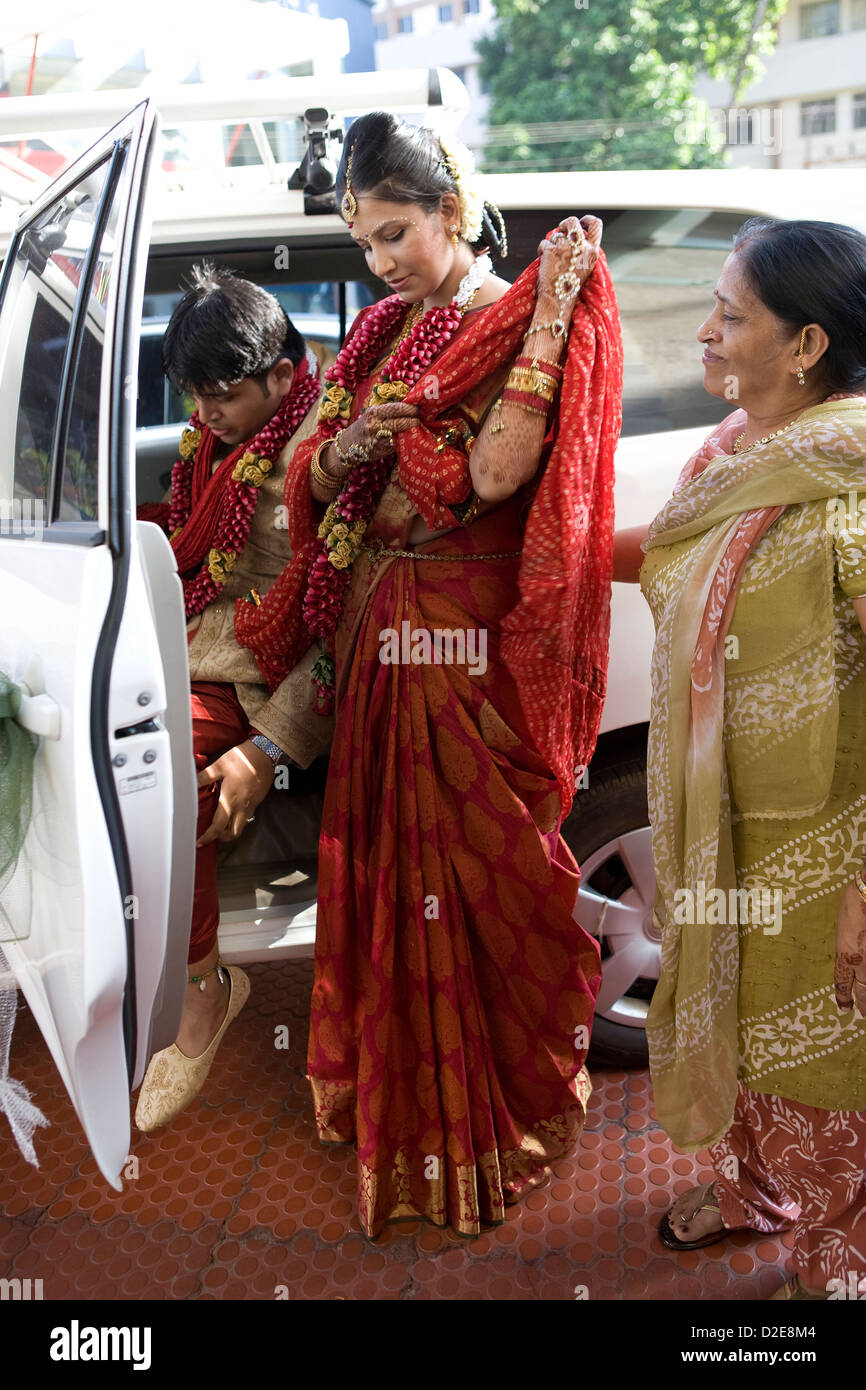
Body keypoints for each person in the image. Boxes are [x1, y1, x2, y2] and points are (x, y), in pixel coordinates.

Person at [243, 112, 623, 1236]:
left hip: (463, 643)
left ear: (454, 209)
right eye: (364, 242)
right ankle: (397, 1098)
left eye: (396, 232)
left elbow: (494, 478)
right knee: (382, 865)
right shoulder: (372, 338)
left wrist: (401, 443)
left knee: (472, 871)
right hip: (380, 634)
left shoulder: (513, 317)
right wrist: (343, 451)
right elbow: (298, 475)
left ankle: (481, 1117)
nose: (381, 262)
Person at [615, 217, 866, 1299]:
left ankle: (834, 1258)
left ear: (805, 344)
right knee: (721, 1018)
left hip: (827, 855)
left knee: (819, 1064)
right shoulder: (730, 455)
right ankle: (751, 1187)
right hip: (720, 831)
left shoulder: (846, 488)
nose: (705, 332)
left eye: (730, 315)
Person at [134, 265, 333, 1132]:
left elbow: (341, 619)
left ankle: (205, 983)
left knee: (159, 781)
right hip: (191, 643)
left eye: (220, 394)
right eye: (193, 395)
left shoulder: (321, 456)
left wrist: (271, 746)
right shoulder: (219, 438)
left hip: (255, 672)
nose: (204, 415)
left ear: (284, 376)